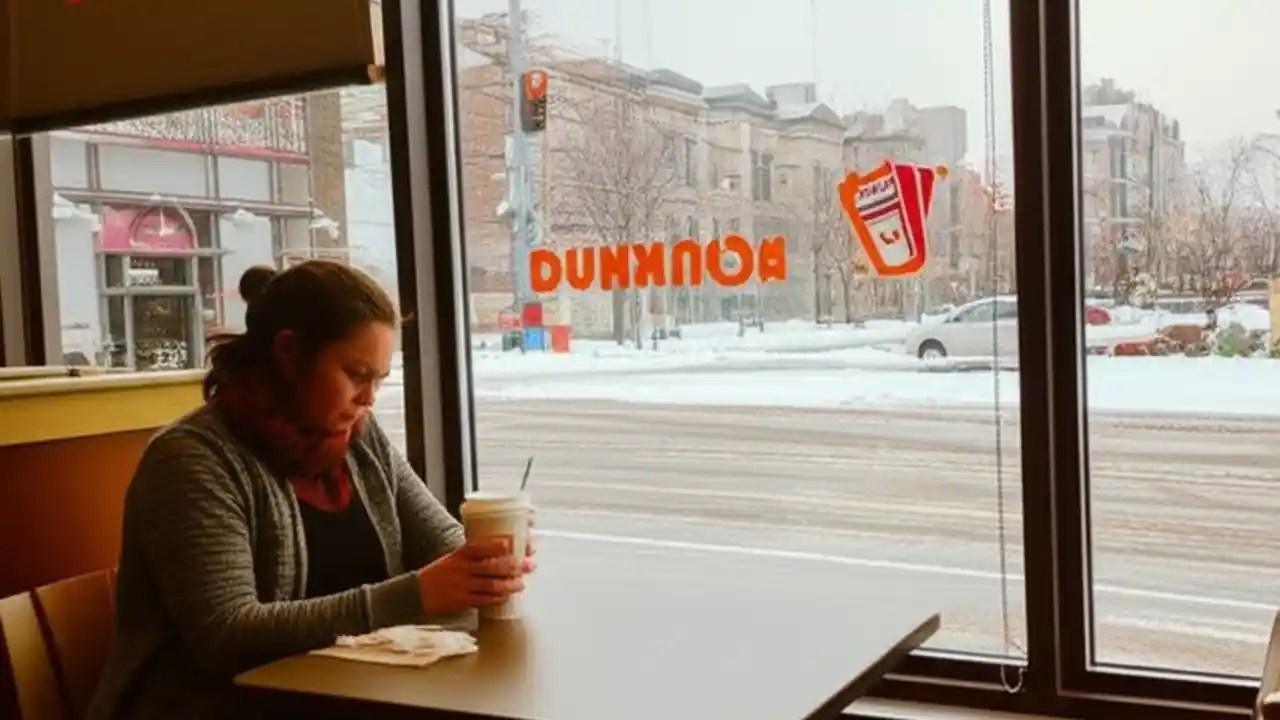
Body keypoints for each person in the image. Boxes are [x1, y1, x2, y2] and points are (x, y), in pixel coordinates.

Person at [88, 261, 534, 720]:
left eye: (378, 379)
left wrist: (485, 563)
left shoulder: (358, 438)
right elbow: (226, 635)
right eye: (356, 374)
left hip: (341, 697)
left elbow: (440, 544)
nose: (369, 398)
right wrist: (416, 594)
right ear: (289, 352)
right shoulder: (192, 459)